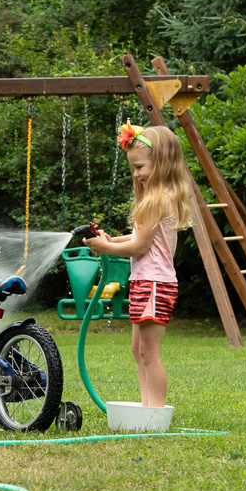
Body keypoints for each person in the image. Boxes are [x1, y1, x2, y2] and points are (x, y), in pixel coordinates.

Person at [84, 120, 192, 408]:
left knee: (149, 353)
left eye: (140, 166)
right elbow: (138, 238)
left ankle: (154, 412)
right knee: (139, 350)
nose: (136, 173)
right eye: (133, 167)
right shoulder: (161, 197)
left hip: (155, 283)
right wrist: (110, 241)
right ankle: (146, 410)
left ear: (161, 163)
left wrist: (105, 247)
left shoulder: (156, 200)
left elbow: (140, 246)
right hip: (147, 281)